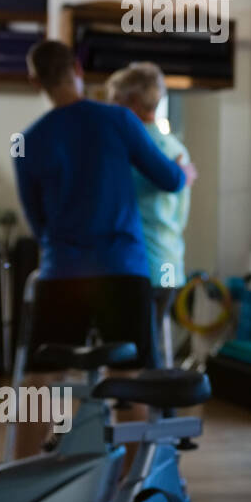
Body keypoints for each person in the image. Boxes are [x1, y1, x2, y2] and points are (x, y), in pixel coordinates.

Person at [13, 41, 196, 372]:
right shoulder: (119, 121)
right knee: (130, 379)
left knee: (42, 378)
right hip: (122, 269)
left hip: (62, 272)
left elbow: (36, 220)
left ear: (35, 81)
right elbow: (168, 179)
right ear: (78, 70)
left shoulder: (28, 142)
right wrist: (184, 172)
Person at [107, 62, 192, 367]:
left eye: (115, 102)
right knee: (151, 341)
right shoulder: (176, 149)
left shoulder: (122, 147)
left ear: (130, 103)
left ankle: (137, 406)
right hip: (169, 262)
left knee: (129, 350)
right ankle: (158, 407)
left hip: (135, 264)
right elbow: (181, 216)